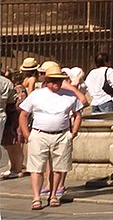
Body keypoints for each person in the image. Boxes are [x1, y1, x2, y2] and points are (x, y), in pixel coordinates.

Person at [17, 63, 81, 211]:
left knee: (59, 167)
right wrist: (27, 135)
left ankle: (53, 195)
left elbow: (78, 114)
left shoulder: (70, 96)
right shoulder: (37, 95)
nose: (56, 84)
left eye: (59, 81)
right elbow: (23, 115)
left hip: (62, 134)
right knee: (36, 168)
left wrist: (73, 132)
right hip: (39, 134)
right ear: (46, 81)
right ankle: (36, 197)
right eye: (53, 81)